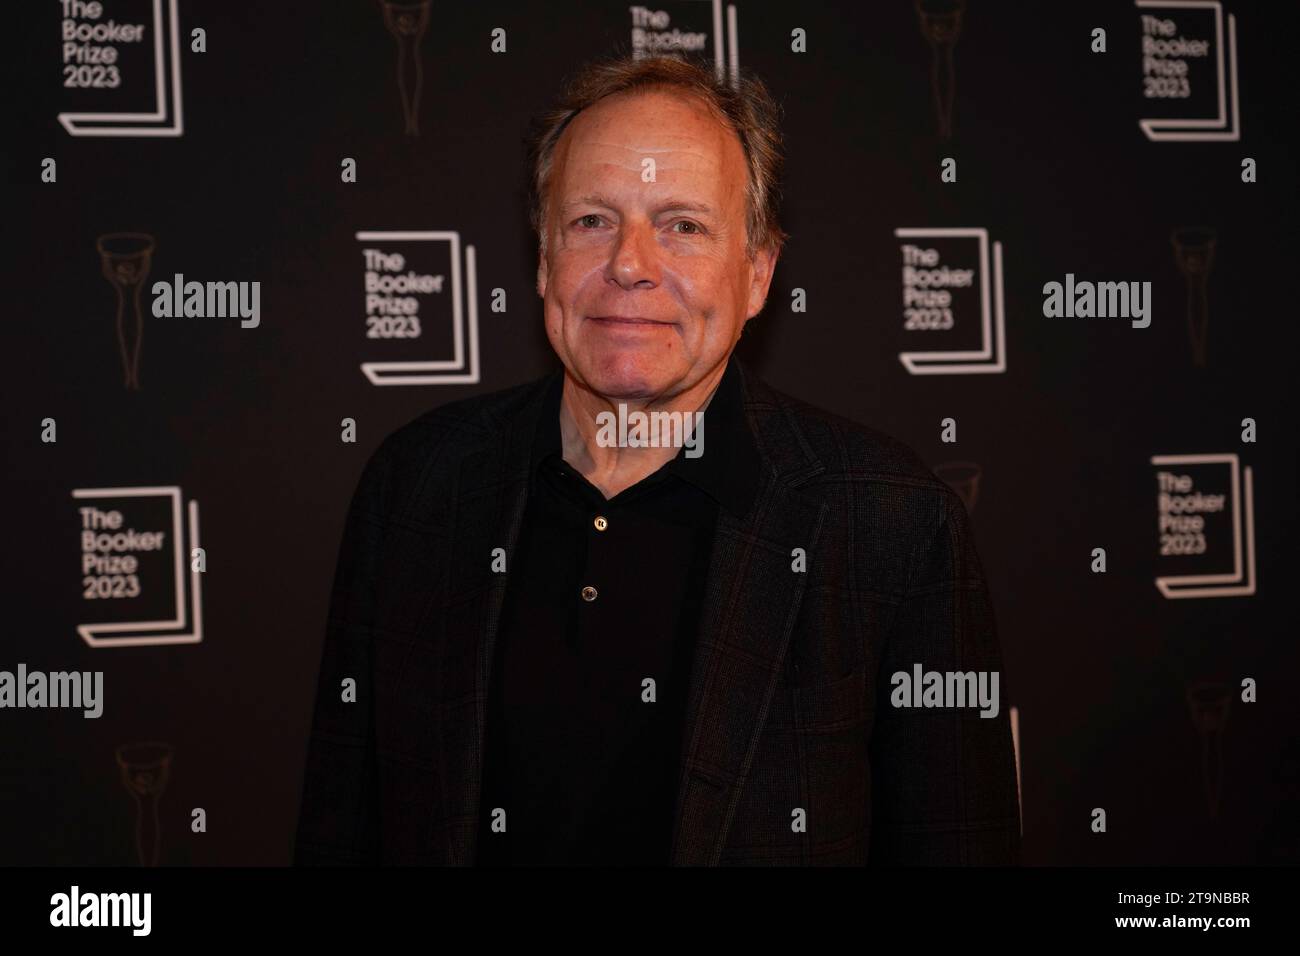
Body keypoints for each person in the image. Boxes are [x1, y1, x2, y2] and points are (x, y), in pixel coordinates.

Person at [293, 53, 1020, 866]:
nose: (630, 264)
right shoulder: (416, 485)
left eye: (682, 224)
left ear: (758, 274)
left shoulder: (894, 524)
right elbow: (340, 828)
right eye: (591, 221)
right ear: (542, 260)